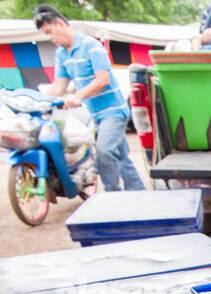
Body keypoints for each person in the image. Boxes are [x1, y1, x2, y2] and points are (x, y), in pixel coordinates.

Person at [35, 4, 145, 193]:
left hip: (114, 112)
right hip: (96, 115)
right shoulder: (62, 54)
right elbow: (59, 85)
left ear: (60, 24)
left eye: (50, 32)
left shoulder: (91, 46)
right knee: (120, 157)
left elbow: (102, 80)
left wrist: (78, 95)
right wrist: (39, 101)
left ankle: (112, 194)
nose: (50, 38)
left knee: (103, 152)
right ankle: (138, 193)